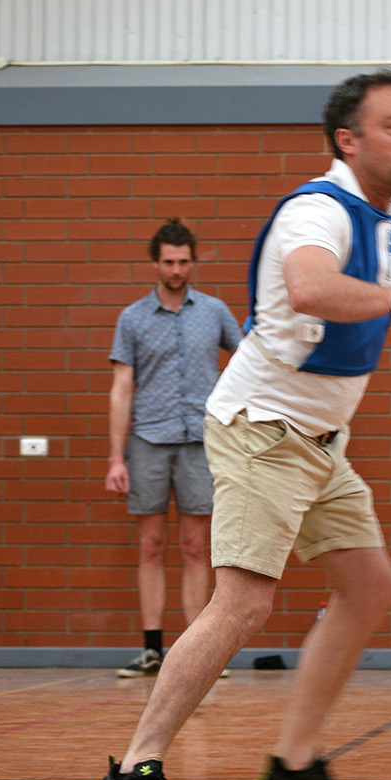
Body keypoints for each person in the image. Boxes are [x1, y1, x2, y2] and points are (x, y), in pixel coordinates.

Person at [87, 70, 391, 780]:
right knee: (243, 605)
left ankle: (294, 766)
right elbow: (309, 288)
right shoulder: (319, 209)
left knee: (369, 587)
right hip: (261, 429)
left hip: (319, 444)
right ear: (349, 140)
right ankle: (135, 769)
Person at [105, 219, 243, 678]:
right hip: (148, 439)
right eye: (169, 262)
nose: (177, 270)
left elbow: (246, 362)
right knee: (150, 545)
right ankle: (151, 649)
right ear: (155, 263)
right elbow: (121, 389)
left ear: (193, 262)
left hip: (201, 442)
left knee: (193, 545)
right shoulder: (133, 318)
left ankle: (195, 653)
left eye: (184, 262)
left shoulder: (214, 311)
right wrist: (115, 457)